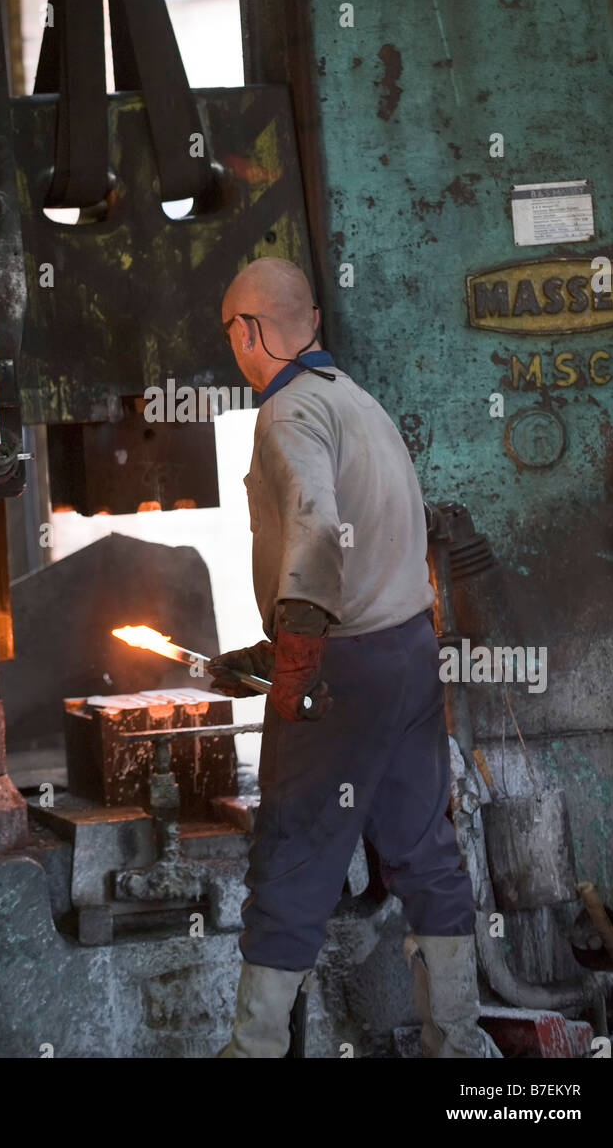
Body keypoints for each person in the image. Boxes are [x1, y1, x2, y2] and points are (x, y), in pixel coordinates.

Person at [210, 257, 499, 1059]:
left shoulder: (291, 413)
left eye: (232, 331)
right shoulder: (358, 402)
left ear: (254, 330)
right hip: (407, 655)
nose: (233, 346)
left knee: (296, 849)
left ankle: (256, 1049)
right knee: (423, 849)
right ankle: (461, 1047)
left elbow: (312, 530)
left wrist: (294, 664)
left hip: (342, 667)